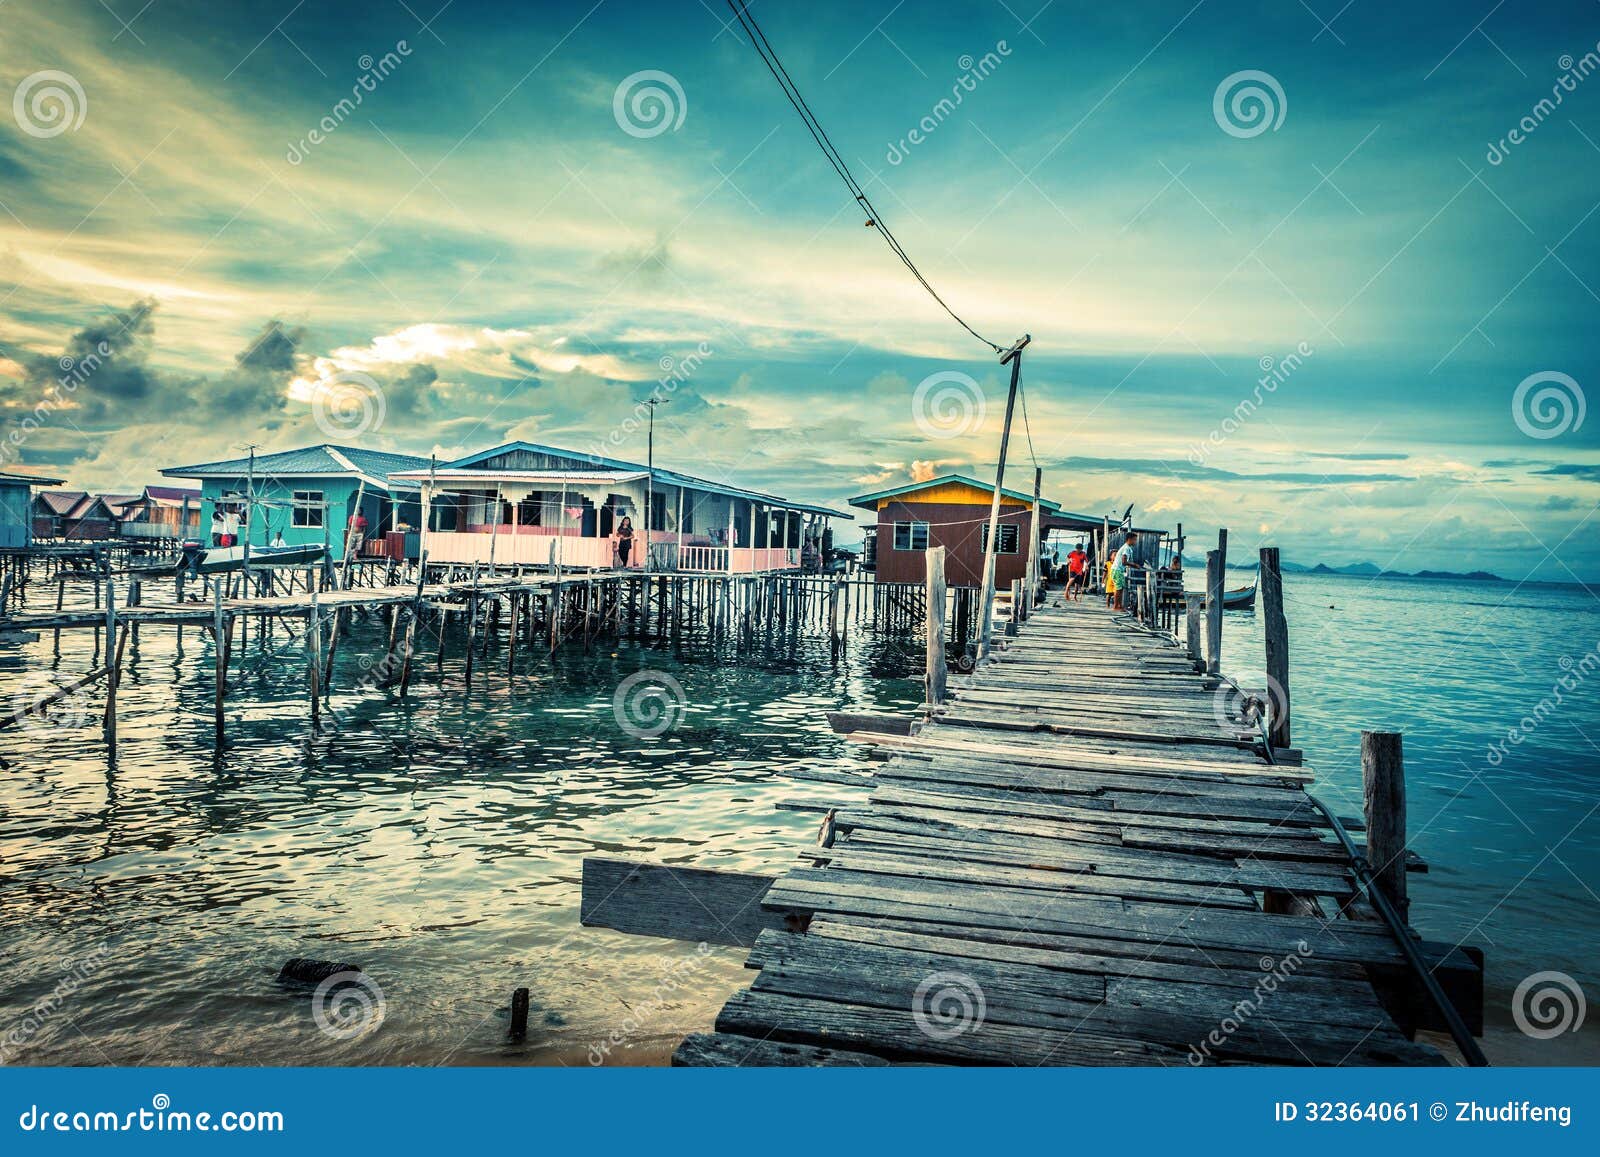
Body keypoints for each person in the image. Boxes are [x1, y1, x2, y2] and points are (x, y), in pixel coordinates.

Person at [1109, 530, 1138, 611]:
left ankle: (1119, 605)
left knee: (1120, 588)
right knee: (1118, 588)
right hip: (1117, 570)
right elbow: (1124, 562)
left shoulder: (1127, 548)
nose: (1135, 542)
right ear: (1129, 539)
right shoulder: (1126, 548)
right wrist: (1134, 565)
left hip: (1118, 570)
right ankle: (1115, 606)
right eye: (1134, 540)